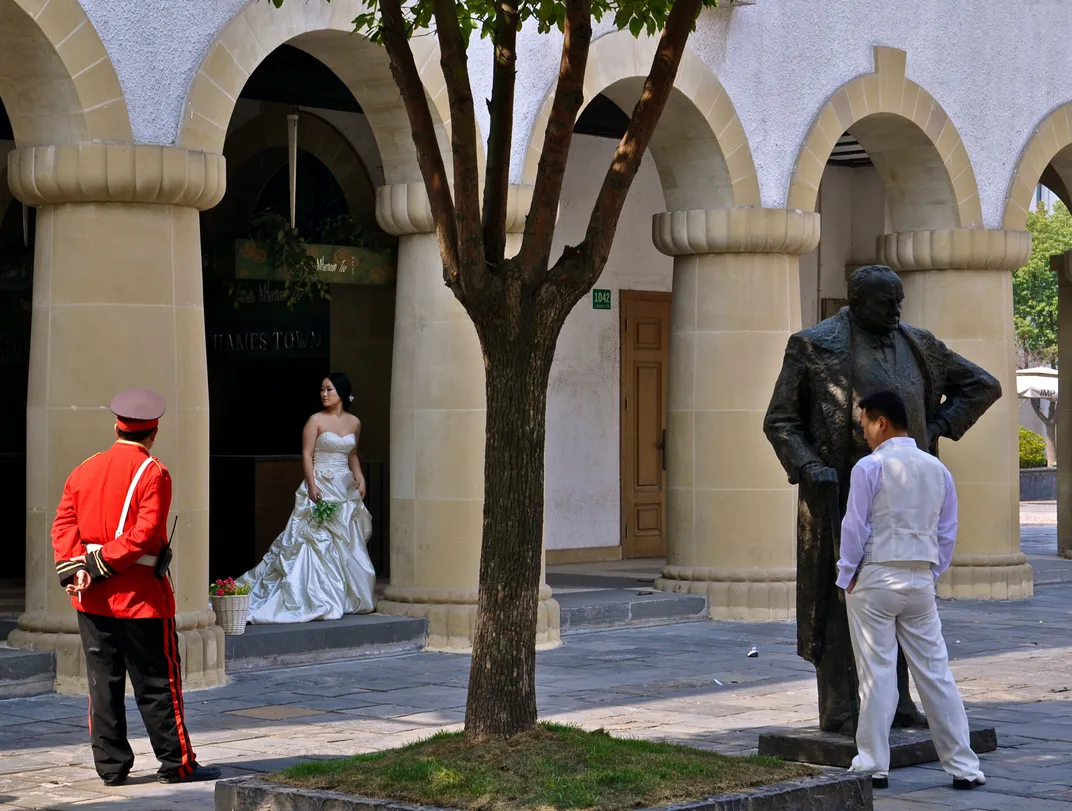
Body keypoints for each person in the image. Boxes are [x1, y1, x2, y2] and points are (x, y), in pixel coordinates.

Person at [763, 265, 1001, 734]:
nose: (895, 311)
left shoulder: (920, 344)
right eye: (884, 303)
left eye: (899, 301)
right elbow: (780, 421)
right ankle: (840, 707)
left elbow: (983, 385)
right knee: (838, 600)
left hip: (903, 493)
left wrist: (935, 428)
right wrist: (810, 466)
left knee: (898, 597)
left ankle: (899, 704)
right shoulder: (813, 345)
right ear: (854, 302)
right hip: (838, 489)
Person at [52, 388, 221, 786]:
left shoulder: (85, 468)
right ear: (153, 433)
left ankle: (110, 768)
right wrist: (96, 565)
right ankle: (176, 762)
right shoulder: (154, 473)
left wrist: (76, 569)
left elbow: (63, 523)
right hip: (141, 598)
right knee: (158, 683)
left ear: (116, 427)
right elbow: (144, 536)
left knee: (103, 685)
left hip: (91, 598)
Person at [839, 389, 986, 792]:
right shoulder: (936, 469)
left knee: (877, 674)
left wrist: (846, 574)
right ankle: (963, 766)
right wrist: (931, 572)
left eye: (866, 422)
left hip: (876, 576)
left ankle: (873, 764)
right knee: (936, 672)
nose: (864, 431)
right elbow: (946, 532)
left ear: (881, 422)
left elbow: (855, 527)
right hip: (920, 577)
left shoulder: (869, 467)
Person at [237, 373, 377, 623]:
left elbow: (352, 455)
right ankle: (314, 594)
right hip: (321, 483)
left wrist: (360, 477)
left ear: (342, 393)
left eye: (329, 390)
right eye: (322, 390)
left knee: (346, 542)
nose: (324, 394)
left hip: (344, 487)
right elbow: (306, 454)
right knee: (314, 540)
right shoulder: (315, 420)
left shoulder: (354, 422)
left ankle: (343, 595)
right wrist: (312, 485)